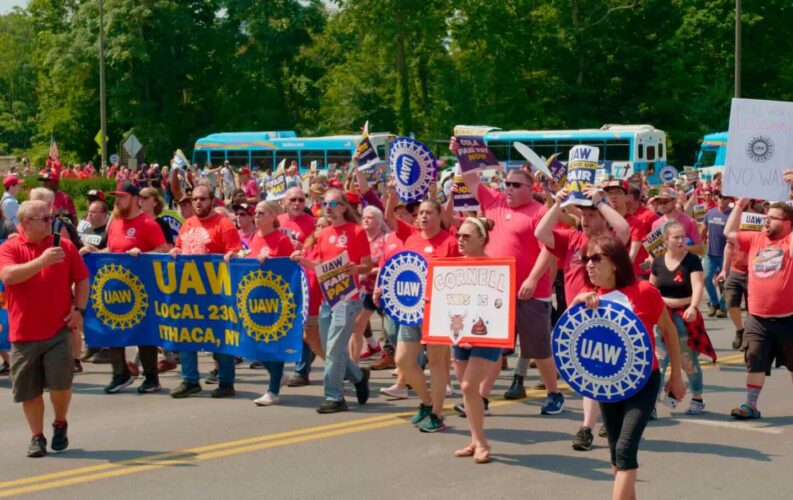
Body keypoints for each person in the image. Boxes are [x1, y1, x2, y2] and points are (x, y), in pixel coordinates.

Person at [451, 137, 561, 415]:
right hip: (497, 291)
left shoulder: (539, 212)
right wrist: (462, 153)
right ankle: (481, 398)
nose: (508, 189)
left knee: (538, 348)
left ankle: (554, 393)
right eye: (507, 184)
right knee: (494, 345)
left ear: (530, 188)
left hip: (531, 292)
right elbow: (472, 180)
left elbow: (549, 249)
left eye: (515, 185)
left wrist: (533, 279)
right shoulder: (494, 201)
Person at [572, 235, 685, 500]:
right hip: (607, 386)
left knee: (624, 451)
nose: (589, 264)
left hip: (643, 381)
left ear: (615, 263)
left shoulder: (644, 291)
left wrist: (676, 375)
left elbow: (669, 331)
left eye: (596, 258)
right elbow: (573, 341)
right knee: (616, 459)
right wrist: (577, 304)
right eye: (587, 259)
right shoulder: (589, 299)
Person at [535, 185, 631, 451]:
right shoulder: (572, 240)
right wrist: (557, 204)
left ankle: (608, 417)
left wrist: (600, 202)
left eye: (591, 215)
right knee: (591, 370)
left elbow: (624, 230)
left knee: (609, 368)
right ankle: (588, 426)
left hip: (608, 313)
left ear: (602, 217)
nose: (585, 219)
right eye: (583, 215)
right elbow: (540, 233)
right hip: (577, 316)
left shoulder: (611, 243)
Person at [0, 200, 89, 458]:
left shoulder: (65, 246)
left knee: (61, 385)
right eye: (45, 219)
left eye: (50, 218)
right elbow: (8, 277)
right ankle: (36, 437)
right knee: (29, 390)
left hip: (57, 330)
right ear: (25, 223)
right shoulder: (11, 247)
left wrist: (79, 310)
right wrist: (41, 261)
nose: (51, 223)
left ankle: (60, 422)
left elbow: (82, 279)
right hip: (23, 333)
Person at [81, 181, 169, 394]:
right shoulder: (116, 223)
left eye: (122, 196)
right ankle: (120, 374)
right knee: (112, 329)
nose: (117, 200)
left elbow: (164, 250)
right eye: (116, 197)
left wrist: (143, 254)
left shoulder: (147, 224)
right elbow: (112, 249)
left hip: (143, 288)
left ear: (134, 198)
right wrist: (94, 251)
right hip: (116, 288)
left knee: (143, 332)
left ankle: (151, 377)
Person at [291, 188, 372, 413]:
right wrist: (303, 260)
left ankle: (334, 397)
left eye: (334, 204)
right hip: (328, 297)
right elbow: (320, 268)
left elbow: (367, 263)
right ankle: (358, 375)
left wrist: (357, 268)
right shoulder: (324, 233)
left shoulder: (356, 232)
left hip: (348, 297)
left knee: (335, 349)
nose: (328, 207)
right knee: (332, 349)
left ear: (345, 207)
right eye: (326, 204)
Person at [384, 197, 460, 432]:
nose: (423, 217)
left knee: (437, 364)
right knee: (403, 361)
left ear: (439, 216)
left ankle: (437, 414)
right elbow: (402, 270)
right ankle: (427, 403)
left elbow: (457, 278)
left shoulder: (450, 242)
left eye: (429, 212)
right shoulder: (411, 238)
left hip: (437, 312)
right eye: (420, 213)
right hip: (411, 311)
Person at [722, 194, 793, 420]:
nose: (766, 220)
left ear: (788, 223)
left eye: (773, 218)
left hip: (788, 318)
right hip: (757, 318)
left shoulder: (789, 242)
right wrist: (740, 206)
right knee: (754, 359)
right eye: (766, 216)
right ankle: (750, 406)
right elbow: (728, 233)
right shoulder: (756, 239)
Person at [169, 183, 243, 398]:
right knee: (185, 336)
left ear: (212, 200)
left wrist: (232, 255)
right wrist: (175, 250)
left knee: (220, 338)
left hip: (216, 294)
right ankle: (190, 380)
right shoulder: (188, 224)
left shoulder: (224, 225)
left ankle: (226, 382)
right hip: (189, 292)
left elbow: (235, 253)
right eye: (195, 199)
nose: (198, 202)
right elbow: (181, 248)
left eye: (203, 199)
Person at [228, 200, 294, 406]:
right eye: (255, 213)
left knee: (269, 344)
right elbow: (250, 257)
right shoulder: (256, 236)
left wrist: (271, 262)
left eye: (261, 213)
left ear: (273, 216)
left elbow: (289, 269)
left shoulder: (281, 239)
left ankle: (273, 390)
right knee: (252, 344)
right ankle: (278, 375)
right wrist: (237, 256)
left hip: (273, 301)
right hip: (254, 299)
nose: (256, 216)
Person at [451, 217, 501, 463]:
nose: (460, 239)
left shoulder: (495, 268)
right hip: (459, 334)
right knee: (466, 392)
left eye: (466, 236)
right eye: (459, 235)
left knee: (469, 387)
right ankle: (474, 439)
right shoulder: (454, 267)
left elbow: (497, 308)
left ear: (482, 240)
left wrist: (473, 330)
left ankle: (481, 443)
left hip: (486, 336)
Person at [650, 221, 713, 416]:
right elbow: (651, 290)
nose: (681, 240)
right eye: (676, 237)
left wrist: (693, 306)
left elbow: (698, 286)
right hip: (662, 318)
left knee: (687, 361)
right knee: (660, 362)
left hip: (684, 317)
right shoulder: (658, 262)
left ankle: (697, 398)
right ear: (666, 240)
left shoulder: (692, 260)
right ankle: (651, 404)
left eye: (683, 237)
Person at [278, 187, 324, 387]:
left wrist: (303, 249)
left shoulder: (313, 223)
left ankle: (301, 370)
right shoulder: (277, 221)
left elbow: (319, 250)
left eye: (300, 199)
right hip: (281, 279)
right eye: (293, 199)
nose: (297, 203)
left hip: (305, 279)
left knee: (303, 325)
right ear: (284, 202)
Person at [349, 205, 387, 362]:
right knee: (356, 326)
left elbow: (389, 265)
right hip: (364, 289)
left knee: (392, 331)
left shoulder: (386, 238)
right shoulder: (359, 238)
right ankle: (353, 366)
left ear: (378, 221)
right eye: (364, 216)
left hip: (382, 289)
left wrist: (368, 270)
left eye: (369, 217)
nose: (365, 219)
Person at [702, 192, 732, 317]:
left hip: (727, 255)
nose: (722, 200)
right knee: (706, 278)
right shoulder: (710, 212)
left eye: (725, 198)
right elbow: (703, 230)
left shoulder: (733, 214)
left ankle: (723, 307)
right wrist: (699, 243)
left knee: (726, 283)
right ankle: (714, 303)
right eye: (720, 197)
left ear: (729, 199)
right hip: (710, 253)